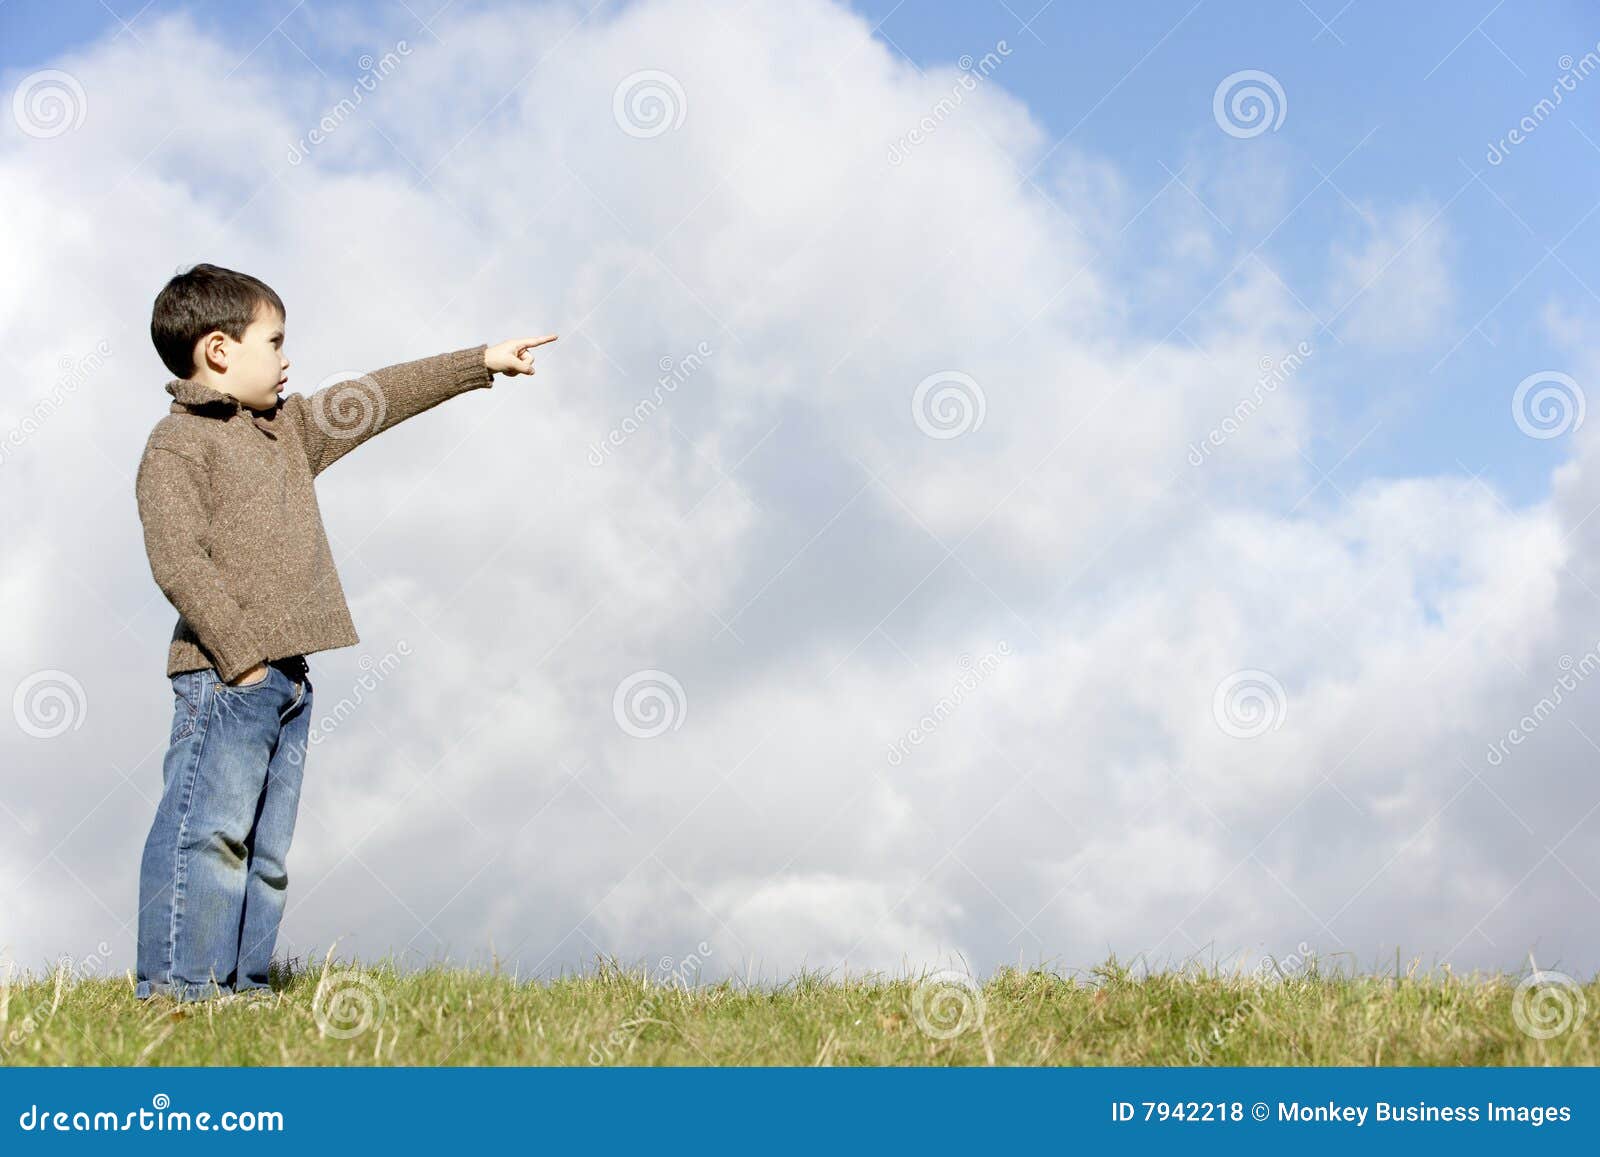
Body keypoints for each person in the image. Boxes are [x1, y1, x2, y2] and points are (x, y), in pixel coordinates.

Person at [132, 262, 555, 1002]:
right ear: (221, 350)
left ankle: (244, 989)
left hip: (287, 676)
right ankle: (179, 993)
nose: (287, 356)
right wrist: (240, 661)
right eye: (276, 339)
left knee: (264, 852)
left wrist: (478, 360)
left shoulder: (288, 431)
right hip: (225, 675)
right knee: (208, 833)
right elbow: (176, 559)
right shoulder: (177, 445)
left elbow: (379, 395)